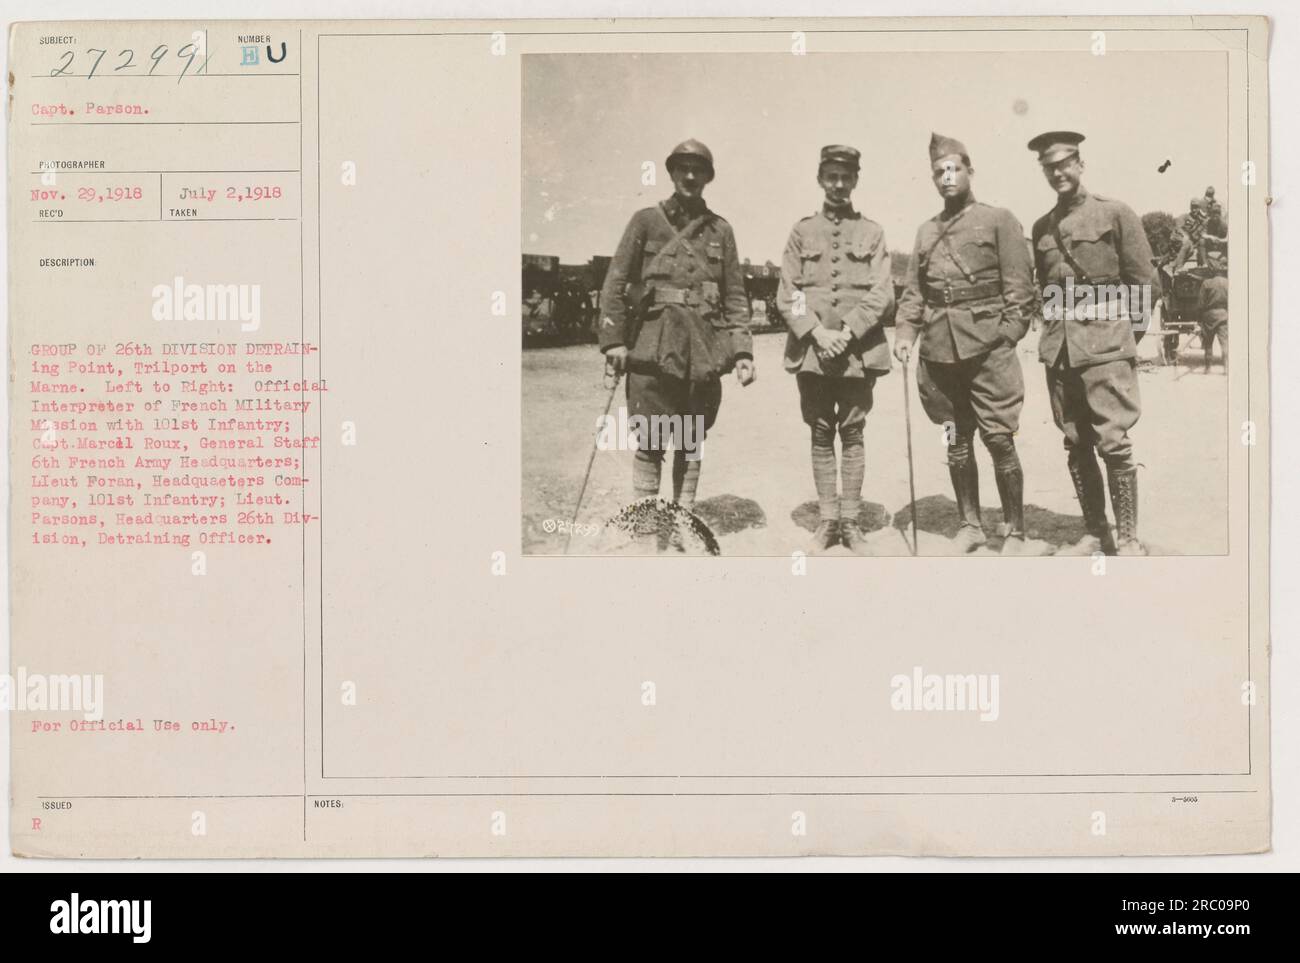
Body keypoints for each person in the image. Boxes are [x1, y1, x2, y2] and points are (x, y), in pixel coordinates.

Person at [894, 133, 1037, 554]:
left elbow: (1020, 292)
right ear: (932, 179)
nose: (947, 177)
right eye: (939, 172)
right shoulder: (926, 231)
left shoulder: (999, 220)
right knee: (955, 439)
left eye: (954, 169)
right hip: (939, 352)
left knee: (998, 439)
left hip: (989, 350)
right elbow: (913, 294)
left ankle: (1015, 529)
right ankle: (970, 524)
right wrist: (905, 335)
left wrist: (1006, 338)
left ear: (970, 172)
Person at [598, 139, 755, 513]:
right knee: (650, 439)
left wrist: (743, 350)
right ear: (670, 172)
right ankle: (647, 524)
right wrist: (613, 342)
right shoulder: (645, 221)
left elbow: (735, 294)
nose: (689, 176)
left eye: (697, 170)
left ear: (707, 177)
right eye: (682, 168)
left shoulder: (721, 231)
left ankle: (683, 518)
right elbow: (614, 283)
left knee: (691, 439)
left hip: (702, 351)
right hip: (650, 347)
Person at [1028, 130, 1159, 556]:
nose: (1058, 172)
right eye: (1050, 166)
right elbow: (1046, 291)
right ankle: (1094, 530)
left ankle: (1128, 538)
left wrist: (1123, 337)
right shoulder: (1042, 227)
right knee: (1075, 441)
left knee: (1114, 442)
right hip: (1061, 350)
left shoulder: (1115, 213)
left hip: (1106, 348)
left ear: (1080, 165)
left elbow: (1145, 283)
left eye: (1066, 163)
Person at [776, 146, 894, 554]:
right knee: (822, 430)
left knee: (854, 431)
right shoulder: (801, 231)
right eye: (831, 177)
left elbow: (883, 292)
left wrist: (847, 330)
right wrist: (816, 332)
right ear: (820, 178)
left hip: (857, 351)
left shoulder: (873, 233)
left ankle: (851, 522)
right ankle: (827, 521)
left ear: (856, 180)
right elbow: (787, 291)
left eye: (846, 177)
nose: (839, 185)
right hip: (814, 351)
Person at [1197, 261, 1228, 371]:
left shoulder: (1206, 283)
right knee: (1224, 342)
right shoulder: (1227, 283)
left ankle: (1208, 368)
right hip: (1223, 315)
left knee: (1208, 343)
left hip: (1209, 316)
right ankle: (1226, 368)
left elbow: (1201, 303)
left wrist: (1199, 318)